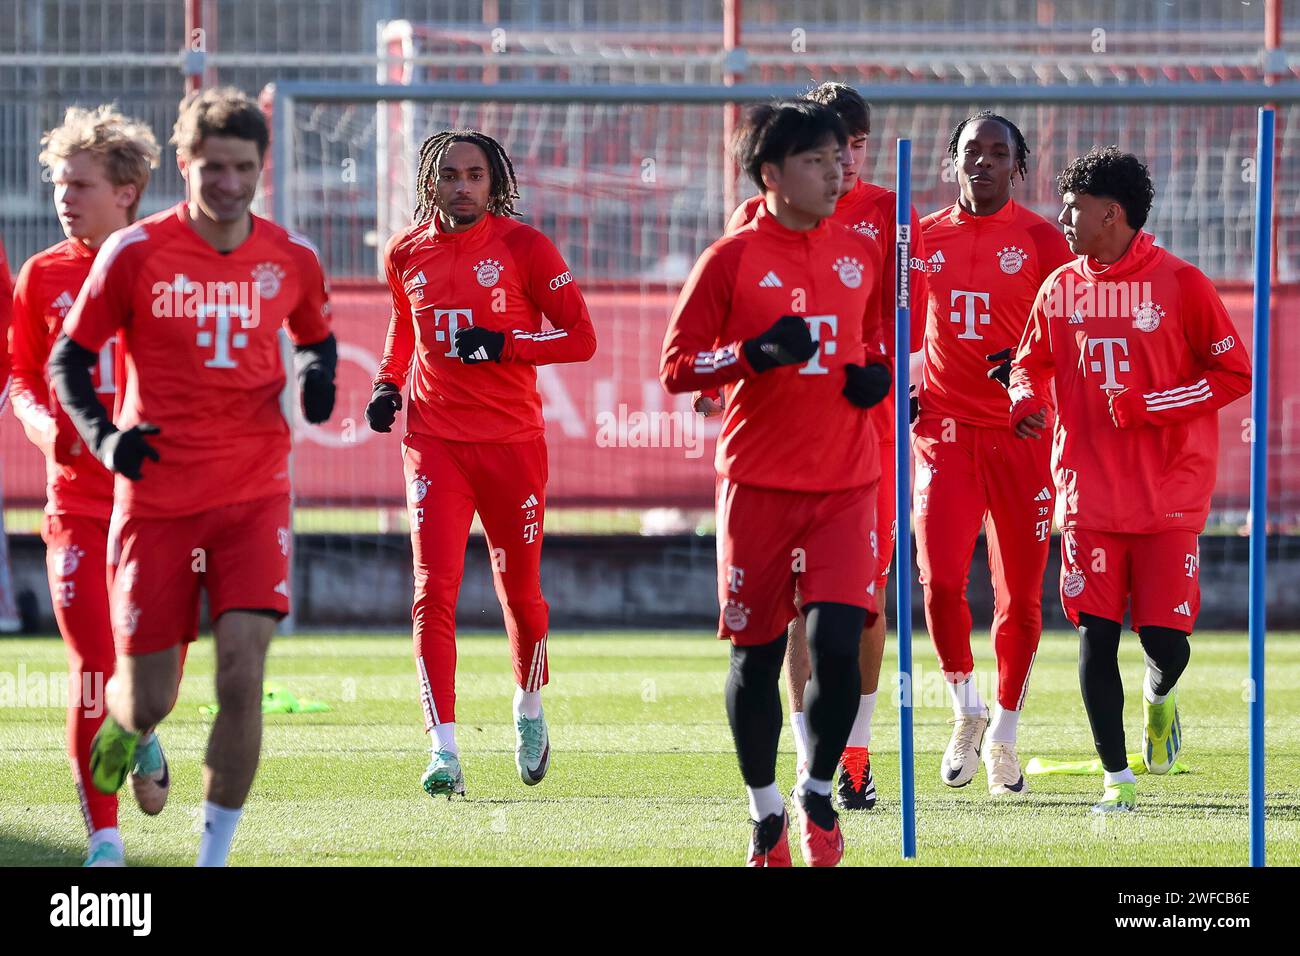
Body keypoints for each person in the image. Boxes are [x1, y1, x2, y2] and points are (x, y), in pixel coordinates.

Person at [50, 87, 338, 865]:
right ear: (185, 165)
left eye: (244, 167)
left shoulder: (292, 256)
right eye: (214, 168)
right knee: (150, 696)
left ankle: (213, 856)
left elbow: (317, 334)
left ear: (261, 167)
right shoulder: (136, 253)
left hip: (254, 494)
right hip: (157, 502)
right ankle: (125, 730)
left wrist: (316, 377)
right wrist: (108, 443)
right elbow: (68, 359)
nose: (230, 184)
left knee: (242, 674)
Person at [661, 99, 890, 866]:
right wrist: (753, 354)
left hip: (847, 484)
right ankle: (766, 814)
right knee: (755, 656)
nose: (836, 173)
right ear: (770, 174)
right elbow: (679, 366)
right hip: (757, 485)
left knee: (835, 641)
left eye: (838, 159)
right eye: (817, 162)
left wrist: (875, 379)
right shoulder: (729, 259)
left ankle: (818, 790)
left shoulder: (859, 250)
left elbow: (877, 342)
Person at [1008, 146, 1251, 813]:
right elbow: (1029, 363)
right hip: (1087, 493)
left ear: (1111, 214)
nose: (1060, 217)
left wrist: (1152, 405)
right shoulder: (1059, 286)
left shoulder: (1181, 283)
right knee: (1095, 634)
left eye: (1073, 207)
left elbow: (1234, 374)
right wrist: (1023, 399)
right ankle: (1118, 780)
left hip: (1170, 495)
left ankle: (1159, 694)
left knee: (1166, 642)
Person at [710, 82, 928, 810]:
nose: (847, 164)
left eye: (856, 146)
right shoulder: (752, 226)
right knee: (785, 618)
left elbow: (905, 324)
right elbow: (712, 340)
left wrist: (890, 377)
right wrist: (743, 362)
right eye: (833, 149)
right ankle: (805, 772)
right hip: (775, 445)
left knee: (857, 605)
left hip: (862, 441)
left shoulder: (893, 217)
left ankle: (850, 753)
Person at [365, 129, 596, 800]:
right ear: (429, 183)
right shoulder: (405, 252)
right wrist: (386, 384)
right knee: (431, 591)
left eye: (474, 174)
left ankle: (528, 708)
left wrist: (506, 343)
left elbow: (580, 338)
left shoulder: (525, 248)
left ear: (494, 184)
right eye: (449, 174)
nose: (461, 185)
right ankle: (443, 751)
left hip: (512, 447)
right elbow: (401, 329)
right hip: (434, 444)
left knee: (520, 595)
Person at [10, 105, 167, 866]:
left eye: (80, 185)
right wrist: (44, 428)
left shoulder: (166, 266)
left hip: (157, 507)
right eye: (58, 185)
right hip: (73, 501)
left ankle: (140, 722)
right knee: (90, 666)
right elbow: (20, 377)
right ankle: (103, 839)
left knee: (142, 665)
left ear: (128, 190)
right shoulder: (41, 275)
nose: (64, 199)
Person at [914, 111, 1074, 794]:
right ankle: (966, 711)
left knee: (1018, 599)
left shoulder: (1041, 240)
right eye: (970, 150)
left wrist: (1033, 388)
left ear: (1019, 165)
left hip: (1020, 440)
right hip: (945, 436)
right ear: (952, 160)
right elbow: (889, 325)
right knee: (942, 582)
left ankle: (1005, 735)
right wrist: (905, 388)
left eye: (997, 152)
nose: (982, 161)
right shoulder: (921, 239)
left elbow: (1073, 332)